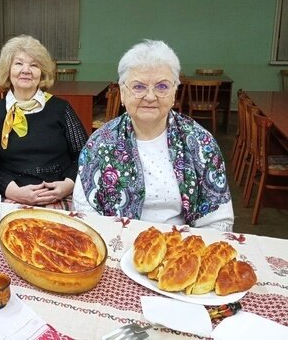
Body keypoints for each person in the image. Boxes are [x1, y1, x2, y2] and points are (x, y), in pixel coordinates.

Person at [73, 40, 234, 231]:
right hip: (115, 243)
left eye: (162, 87)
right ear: (123, 93)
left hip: (179, 249)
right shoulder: (100, 142)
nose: (150, 96)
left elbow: (217, 221)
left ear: (175, 92)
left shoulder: (200, 142)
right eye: (139, 87)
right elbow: (85, 211)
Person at [0, 35, 88, 208]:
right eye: (18, 63)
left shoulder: (62, 109)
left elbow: (85, 155)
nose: (26, 70)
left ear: (42, 72)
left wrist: (68, 185)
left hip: (62, 196)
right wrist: (14, 192)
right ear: (7, 70)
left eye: (34, 65)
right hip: (15, 198)